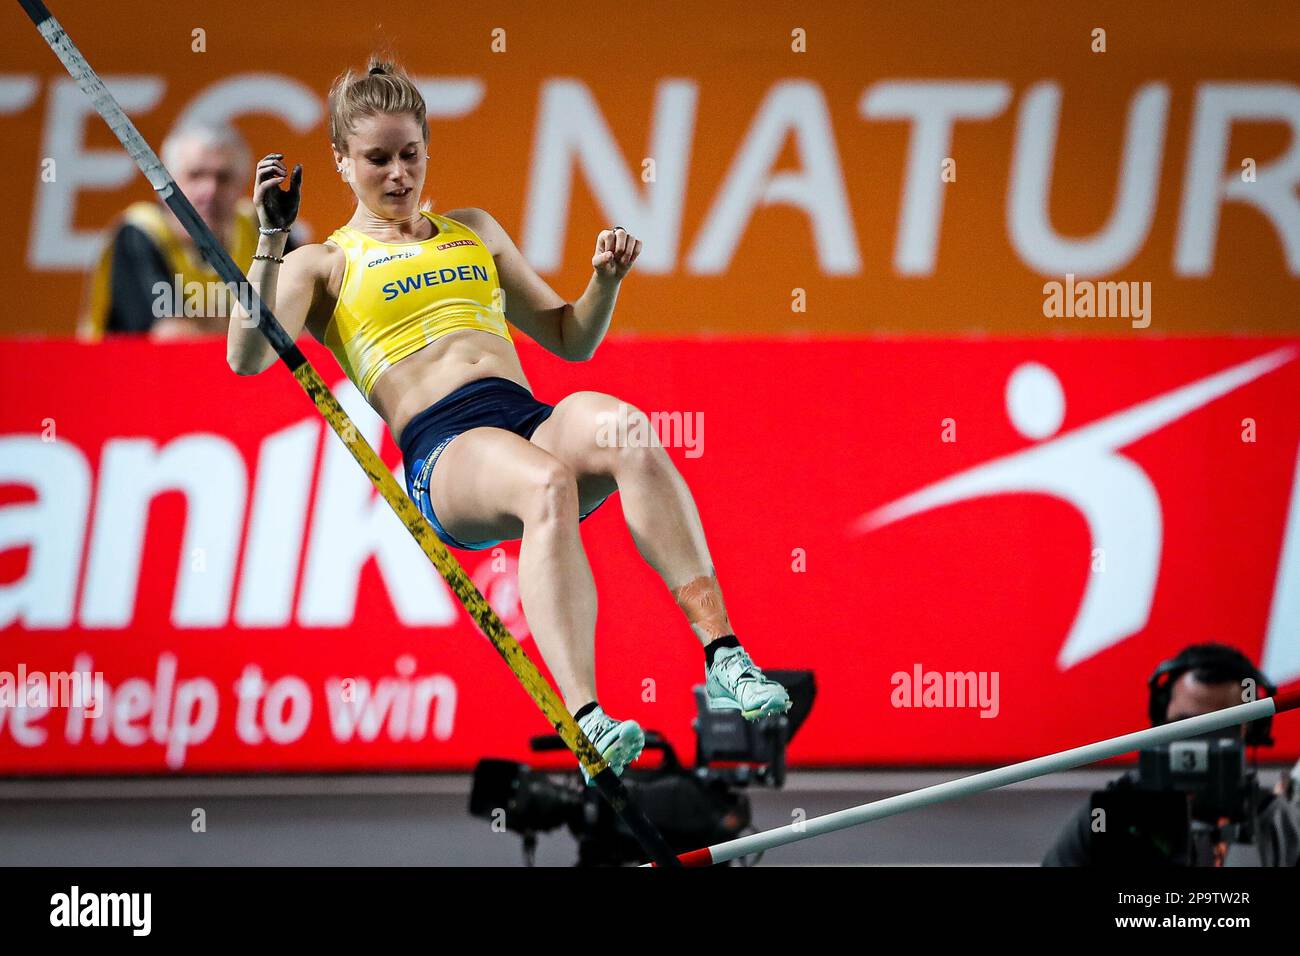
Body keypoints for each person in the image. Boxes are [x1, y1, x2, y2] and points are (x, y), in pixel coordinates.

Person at [226, 57, 791, 784]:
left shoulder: (473, 232)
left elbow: (569, 339)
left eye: (410, 154)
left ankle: (723, 656)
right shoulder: (323, 264)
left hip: (526, 416)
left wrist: (604, 283)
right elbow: (246, 357)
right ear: (341, 161)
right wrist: (269, 238)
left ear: (427, 147)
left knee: (627, 429)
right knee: (547, 485)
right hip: (447, 452)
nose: (397, 174)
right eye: (376, 159)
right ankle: (588, 717)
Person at [1042, 643, 1300, 866]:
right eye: (1185, 725)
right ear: (1161, 719)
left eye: (1219, 728)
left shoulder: (1279, 826)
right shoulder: (1110, 815)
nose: (1200, 746)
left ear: (1250, 728)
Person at [80, 122, 298, 340]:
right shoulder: (139, 233)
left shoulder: (260, 226)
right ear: (165, 183)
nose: (210, 190)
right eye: (195, 175)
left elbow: (302, 318)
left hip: (235, 370)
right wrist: (258, 329)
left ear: (242, 184)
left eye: (223, 178)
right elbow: (169, 337)